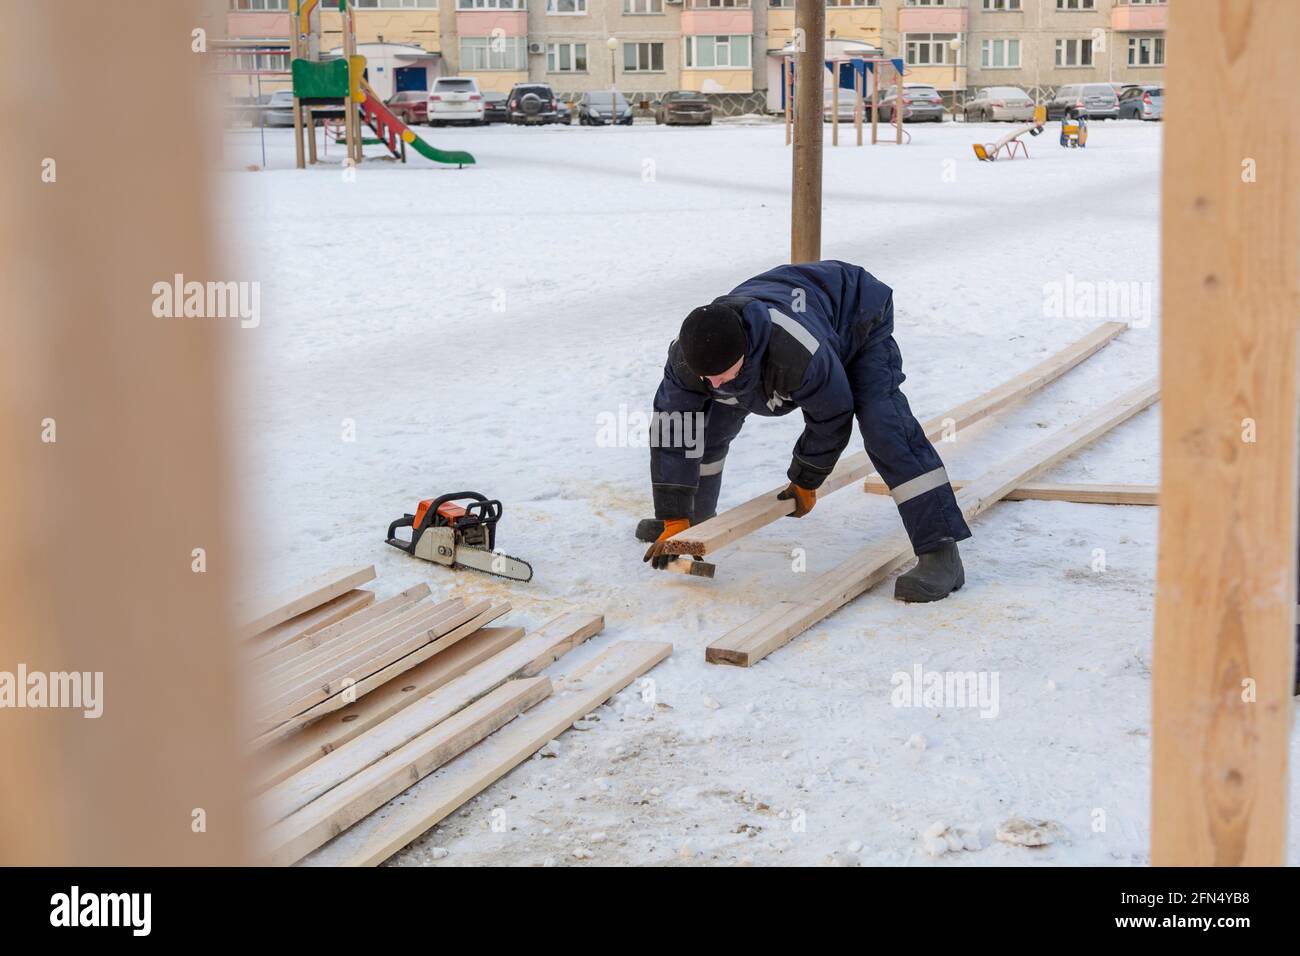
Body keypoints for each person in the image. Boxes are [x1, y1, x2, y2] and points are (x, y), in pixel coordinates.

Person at [640, 260, 970, 602]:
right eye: (705, 378)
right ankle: (697, 517)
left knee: (884, 427)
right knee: (706, 425)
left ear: (745, 352)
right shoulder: (690, 360)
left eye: (721, 375)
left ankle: (940, 550)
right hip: (796, 316)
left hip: (855, 315)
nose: (713, 383)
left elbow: (832, 416)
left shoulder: (796, 353)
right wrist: (674, 516)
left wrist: (806, 479)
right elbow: (673, 431)